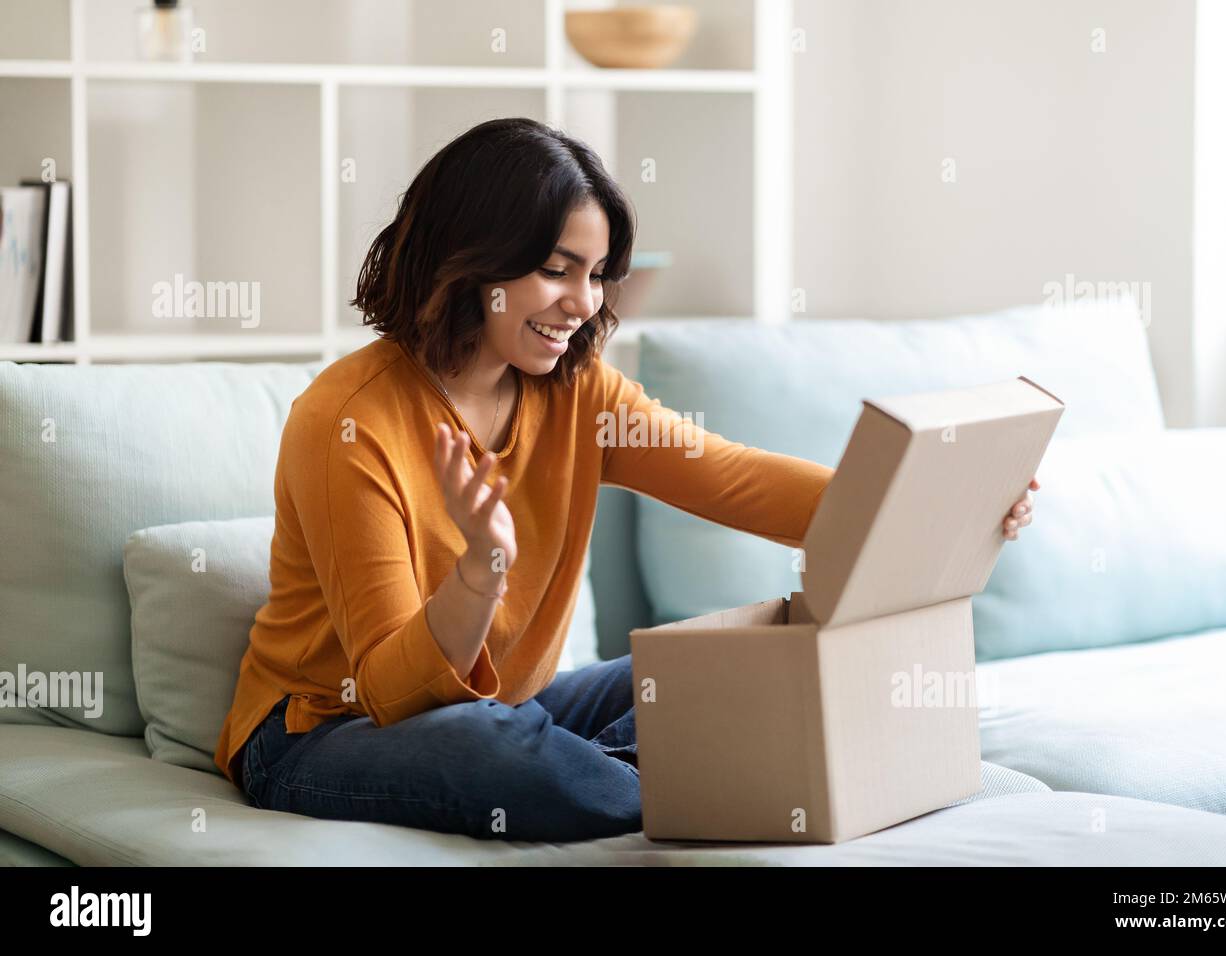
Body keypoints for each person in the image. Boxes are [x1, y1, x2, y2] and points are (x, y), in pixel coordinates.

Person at [211, 116, 1038, 843]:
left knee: (739, 663)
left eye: (598, 273)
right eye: (557, 269)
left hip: (509, 710)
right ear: (472, 259)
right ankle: (705, 783)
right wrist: (480, 571)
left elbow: (734, 479)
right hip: (323, 731)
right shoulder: (349, 421)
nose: (583, 302)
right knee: (489, 748)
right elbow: (396, 696)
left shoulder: (578, 391)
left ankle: (637, 773)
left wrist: (926, 502)